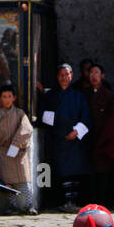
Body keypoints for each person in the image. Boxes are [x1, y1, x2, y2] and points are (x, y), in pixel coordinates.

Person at [39, 63, 91, 210]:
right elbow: (44, 115)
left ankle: (74, 201)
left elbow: (86, 117)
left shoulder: (78, 96)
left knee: (76, 169)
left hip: (75, 140)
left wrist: (76, 131)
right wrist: (60, 130)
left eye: (66, 74)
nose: (64, 77)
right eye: (61, 75)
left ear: (71, 76)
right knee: (61, 170)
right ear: (57, 77)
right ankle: (64, 201)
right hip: (58, 139)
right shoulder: (50, 96)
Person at [0, 82, 35, 214]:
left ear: (14, 98)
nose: (7, 99)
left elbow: (27, 129)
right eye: (4, 96)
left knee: (23, 180)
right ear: (0, 98)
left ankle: (29, 205)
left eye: (9, 96)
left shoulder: (20, 113)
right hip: (5, 151)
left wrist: (16, 143)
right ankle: (13, 206)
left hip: (19, 151)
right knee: (8, 182)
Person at [84, 63, 114, 207]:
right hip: (88, 139)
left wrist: (106, 139)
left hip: (104, 140)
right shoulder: (84, 94)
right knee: (89, 172)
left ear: (102, 76)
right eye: (91, 73)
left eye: (97, 73)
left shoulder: (110, 96)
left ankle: (104, 201)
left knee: (104, 172)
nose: (94, 76)